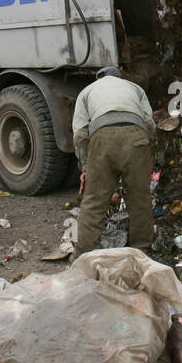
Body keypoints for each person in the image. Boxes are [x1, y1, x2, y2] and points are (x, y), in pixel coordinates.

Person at [71, 67, 155, 257]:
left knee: (93, 202)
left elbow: (80, 133)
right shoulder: (134, 88)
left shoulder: (87, 91)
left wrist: (85, 166)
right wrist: (144, 145)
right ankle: (141, 251)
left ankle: (84, 256)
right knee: (139, 199)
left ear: (98, 78)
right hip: (136, 136)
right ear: (120, 77)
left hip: (102, 139)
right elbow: (149, 123)